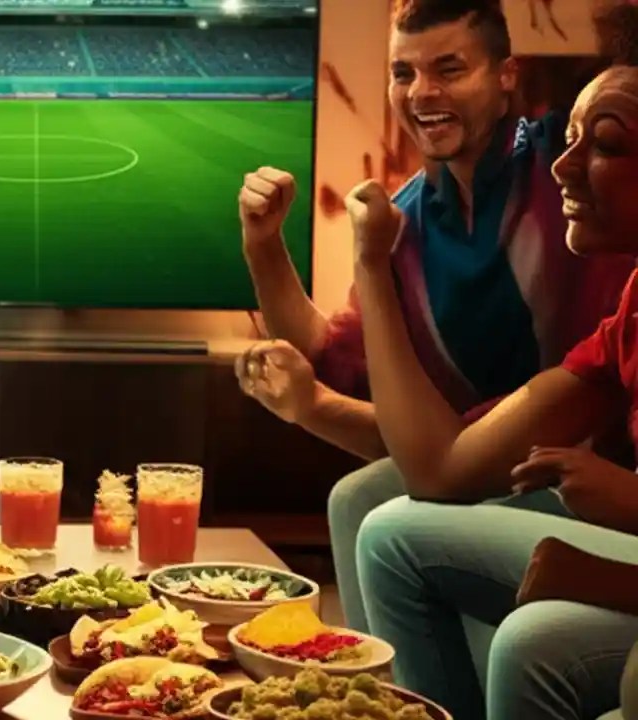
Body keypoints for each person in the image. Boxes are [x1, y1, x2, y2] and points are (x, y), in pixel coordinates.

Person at [232, 0, 633, 633]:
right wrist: (264, 245)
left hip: (583, 478)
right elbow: (345, 368)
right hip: (481, 463)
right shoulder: (409, 215)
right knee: (355, 496)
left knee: (386, 518)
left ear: (506, 76)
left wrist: (315, 402)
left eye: (449, 69)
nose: (423, 93)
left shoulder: (563, 166)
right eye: (404, 74)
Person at [345, 1, 638, 716]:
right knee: (369, 507)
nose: (564, 166)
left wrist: (626, 501)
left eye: (603, 143)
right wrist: (365, 262)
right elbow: (443, 468)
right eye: (569, 138)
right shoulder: (631, 304)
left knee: (401, 541)